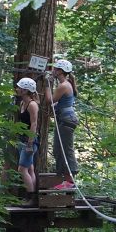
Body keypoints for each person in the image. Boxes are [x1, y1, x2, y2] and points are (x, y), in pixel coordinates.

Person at [44, 59, 79, 190]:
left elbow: (49, 100)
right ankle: (66, 179)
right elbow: (60, 103)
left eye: (55, 69)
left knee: (65, 150)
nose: (53, 71)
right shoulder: (66, 84)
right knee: (58, 150)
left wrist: (47, 84)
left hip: (66, 120)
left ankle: (70, 181)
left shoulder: (64, 85)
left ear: (60, 71)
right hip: (65, 119)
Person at [14, 77, 40, 195]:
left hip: (29, 141)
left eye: (19, 88)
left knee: (22, 169)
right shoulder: (22, 103)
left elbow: (34, 124)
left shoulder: (32, 105)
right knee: (29, 169)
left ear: (25, 90)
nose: (17, 89)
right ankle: (33, 197)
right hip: (21, 139)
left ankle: (30, 196)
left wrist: (30, 143)